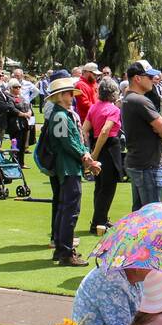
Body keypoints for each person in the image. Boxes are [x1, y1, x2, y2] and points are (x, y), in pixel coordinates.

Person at [38, 76, 101, 266]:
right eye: (68, 93)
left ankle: (61, 249)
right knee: (70, 210)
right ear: (62, 95)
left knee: (64, 208)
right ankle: (65, 252)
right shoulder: (60, 115)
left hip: (67, 166)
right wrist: (86, 158)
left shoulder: (62, 114)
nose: (72, 96)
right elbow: (67, 143)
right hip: (67, 167)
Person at [121, 62, 162, 211]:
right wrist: (159, 129)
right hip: (147, 165)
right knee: (153, 215)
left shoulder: (129, 98)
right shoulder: (140, 100)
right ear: (137, 78)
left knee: (139, 215)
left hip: (139, 162)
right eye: (149, 76)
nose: (153, 79)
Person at [84, 78, 124, 234]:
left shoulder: (94, 107)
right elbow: (105, 131)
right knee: (107, 187)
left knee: (99, 186)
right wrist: (94, 153)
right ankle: (98, 222)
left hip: (96, 144)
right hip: (109, 148)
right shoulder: (114, 109)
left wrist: (91, 149)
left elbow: (85, 129)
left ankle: (100, 218)